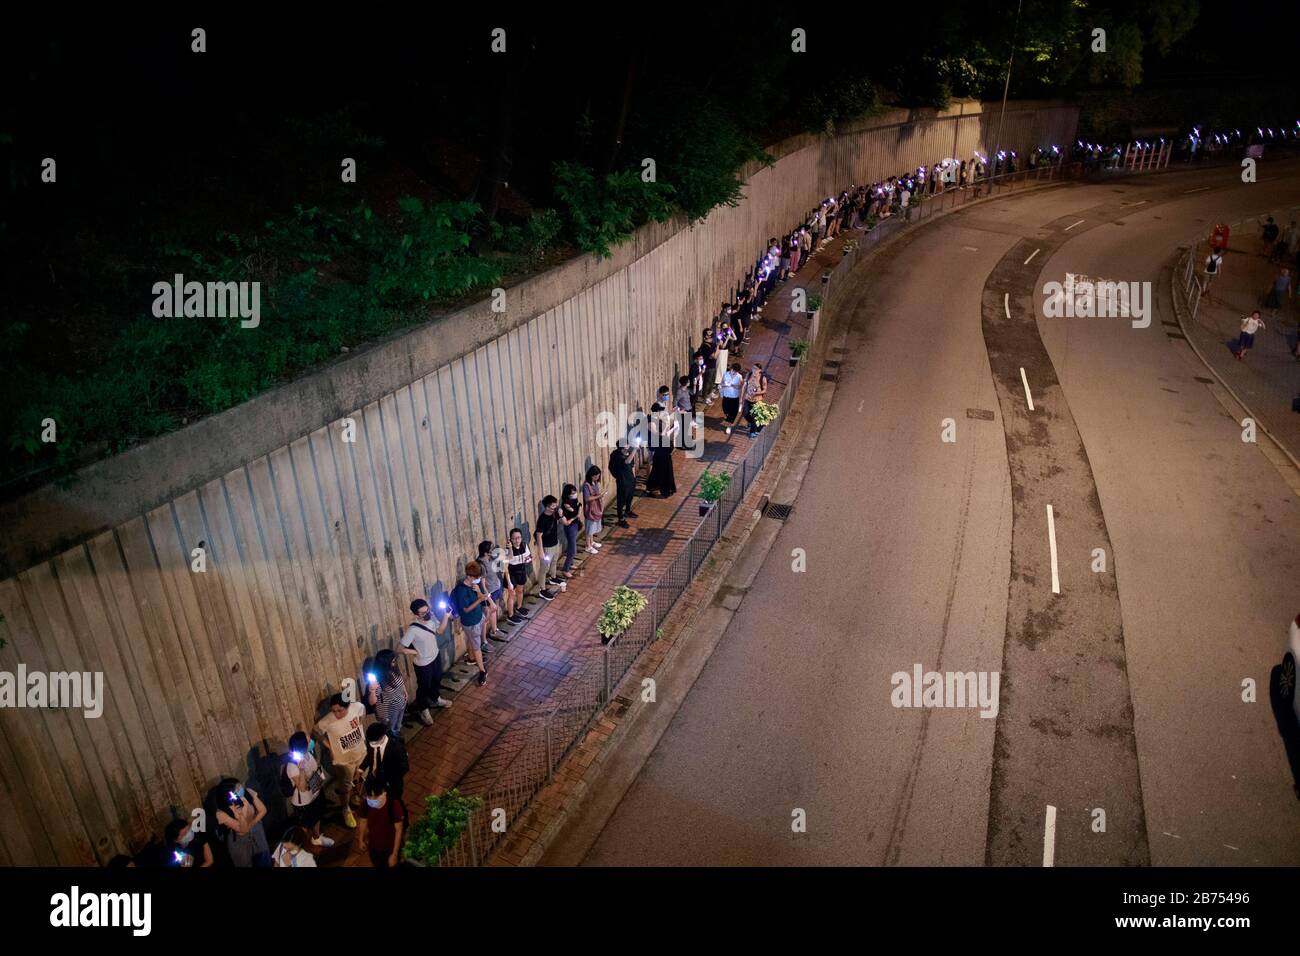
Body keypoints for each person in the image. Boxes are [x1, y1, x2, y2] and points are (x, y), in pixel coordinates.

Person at [315, 692, 368, 829]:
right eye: (333, 710)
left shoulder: (356, 707)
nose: (337, 714)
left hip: (361, 753)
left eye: (340, 710)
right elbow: (315, 731)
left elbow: (363, 709)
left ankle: (356, 796)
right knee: (345, 787)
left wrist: (360, 724)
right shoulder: (327, 720)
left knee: (361, 778)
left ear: (348, 706)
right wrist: (330, 747)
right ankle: (346, 809)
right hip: (344, 762)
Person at [399, 599, 453, 725]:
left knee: (437, 679)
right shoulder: (413, 629)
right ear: (416, 615)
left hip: (435, 656)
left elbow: (439, 631)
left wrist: (446, 615)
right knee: (424, 687)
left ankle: (435, 699)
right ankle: (423, 709)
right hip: (423, 664)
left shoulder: (432, 617)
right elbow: (400, 648)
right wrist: (415, 652)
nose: (427, 613)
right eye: (423, 613)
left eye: (427, 610)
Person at [283, 730, 334, 848]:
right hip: (304, 802)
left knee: (317, 816)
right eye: (308, 740)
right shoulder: (292, 765)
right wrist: (301, 770)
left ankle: (316, 838)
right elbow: (302, 788)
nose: (311, 741)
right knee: (304, 826)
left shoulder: (307, 753)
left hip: (316, 792)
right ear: (302, 745)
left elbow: (314, 767)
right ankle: (295, 848)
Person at [214, 778, 270, 867]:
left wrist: (254, 797)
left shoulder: (247, 794)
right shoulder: (222, 813)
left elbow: (263, 810)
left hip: (257, 833)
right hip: (240, 842)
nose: (241, 789)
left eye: (240, 785)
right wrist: (240, 815)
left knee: (264, 860)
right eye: (237, 788)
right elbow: (243, 830)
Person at [452, 561, 492, 684]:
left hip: (478, 617)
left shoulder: (473, 584)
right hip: (470, 622)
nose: (479, 579)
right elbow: (466, 609)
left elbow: (480, 597)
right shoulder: (461, 590)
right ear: (470, 576)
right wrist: (480, 598)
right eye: (477, 577)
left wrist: (480, 594)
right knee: (477, 647)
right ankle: (482, 671)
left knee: (470, 639)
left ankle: (471, 658)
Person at [357, 778, 407, 869]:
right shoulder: (365, 804)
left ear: (383, 792)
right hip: (374, 847)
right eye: (369, 796)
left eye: (375, 796)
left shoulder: (394, 806)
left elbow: (399, 830)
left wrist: (394, 854)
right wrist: (360, 839)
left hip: (390, 848)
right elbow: (363, 821)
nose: (372, 800)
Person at [358, 723, 409, 803]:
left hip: (391, 782)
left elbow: (404, 767)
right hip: (374, 779)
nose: (372, 745)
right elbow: (370, 756)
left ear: (382, 737)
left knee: (393, 802)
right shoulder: (371, 741)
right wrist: (361, 769)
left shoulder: (396, 747)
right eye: (370, 742)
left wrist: (388, 779)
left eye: (374, 743)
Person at [367, 648, 407, 735]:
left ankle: (397, 733)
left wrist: (405, 692)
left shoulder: (394, 669)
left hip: (400, 705)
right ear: (384, 663)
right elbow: (372, 702)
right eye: (392, 661)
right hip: (388, 713)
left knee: (397, 726)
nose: (395, 662)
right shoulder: (379, 679)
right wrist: (372, 690)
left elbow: (400, 681)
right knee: (390, 730)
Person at [533, 497, 565, 599]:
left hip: (555, 543)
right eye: (553, 505)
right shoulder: (542, 519)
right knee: (544, 568)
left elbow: (563, 522)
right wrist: (541, 550)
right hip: (547, 547)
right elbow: (538, 535)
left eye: (555, 505)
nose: (555, 507)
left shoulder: (555, 513)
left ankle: (553, 577)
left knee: (554, 561)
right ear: (547, 507)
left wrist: (561, 514)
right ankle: (542, 590)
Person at [645, 404, 678, 498]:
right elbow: (657, 435)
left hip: (662, 450)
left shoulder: (658, 420)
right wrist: (667, 432)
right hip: (657, 449)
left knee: (662, 471)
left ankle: (658, 488)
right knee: (656, 470)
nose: (662, 413)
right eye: (661, 411)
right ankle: (653, 488)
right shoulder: (651, 422)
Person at [478, 540, 510, 630]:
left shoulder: (491, 558)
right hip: (490, 592)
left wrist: (509, 548)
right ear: (485, 553)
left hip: (496, 587)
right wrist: (489, 599)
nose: (493, 550)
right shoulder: (481, 565)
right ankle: (492, 632)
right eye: (491, 549)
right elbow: (483, 585)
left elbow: (508, 557)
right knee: (490, 611)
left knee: (494, 610)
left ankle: (495, 629)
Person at [504, 528, 532, 624]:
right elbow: (505, 567)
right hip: (512, 573)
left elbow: (529, 557)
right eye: (514, 538)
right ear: (511, 539)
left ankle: (519, 607)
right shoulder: (507, 550)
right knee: (512, 594)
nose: (517, 540)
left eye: (519, 537)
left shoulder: (524, 545)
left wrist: (527, 559)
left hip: (522, 571)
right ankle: (510, 615)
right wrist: (509, 582)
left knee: (520, 591)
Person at [608, 438, 638, 529]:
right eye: (627, 444)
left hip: (630, 479)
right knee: (621, 500)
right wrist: (635, 449)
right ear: (622, 447)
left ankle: (627, 511)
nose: (629, 446)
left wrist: (634, 477)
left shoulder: (628, 453)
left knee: (630, 496)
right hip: (622, 481)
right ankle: (620, 519)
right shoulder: (616, 455)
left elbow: (631, 464)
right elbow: (627, 462)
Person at [559, 484, 582, 578]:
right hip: (570, 526)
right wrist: (578, 509)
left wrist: (578, 510)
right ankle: (565, 569)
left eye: (575, 492)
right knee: (573, 549)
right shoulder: (565, 503)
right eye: (572, 493)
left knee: (571, 544)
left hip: (575, 524)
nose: (574, 494)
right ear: (567, 494)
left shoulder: (574, 500)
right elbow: (576, 512)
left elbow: (578, 509)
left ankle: (571, 563)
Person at [581, 466, 605, 554]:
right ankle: (588, 546)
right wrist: (599, 496)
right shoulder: (586, 485)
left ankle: (592, 542)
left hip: (596, 508)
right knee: (589, 528)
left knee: (593, 526)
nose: (597, 478)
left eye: (598, 476)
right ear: (591, 475)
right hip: (590, 510)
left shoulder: (594, 482)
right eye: (596, 476)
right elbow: (587, 498)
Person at [742, 362, 769, 438]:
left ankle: (752, 432)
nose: (754, 370)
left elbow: (765, 390)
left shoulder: (762, 378)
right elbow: (744, 385)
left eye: (756, 369)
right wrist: (741, 398)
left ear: (760, 370)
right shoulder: (749, 375)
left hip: (757, 400)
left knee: (754, 416)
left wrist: (757, 393)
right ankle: (750, 422)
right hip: (748, 399)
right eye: (753, 368)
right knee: (745, 413)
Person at [720, 362, 744, 435]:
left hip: (734, 397)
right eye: (733, 370)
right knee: (725, 410)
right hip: (726, 396)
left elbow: (741, 386)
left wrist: (736, 386)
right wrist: (725, 385)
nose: (734, 373)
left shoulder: (739, 376)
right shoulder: (726, 374)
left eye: (736, 372)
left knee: (733, 413)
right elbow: (721, 384)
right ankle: (728, 417)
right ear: (731, 369)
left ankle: (729, 426)